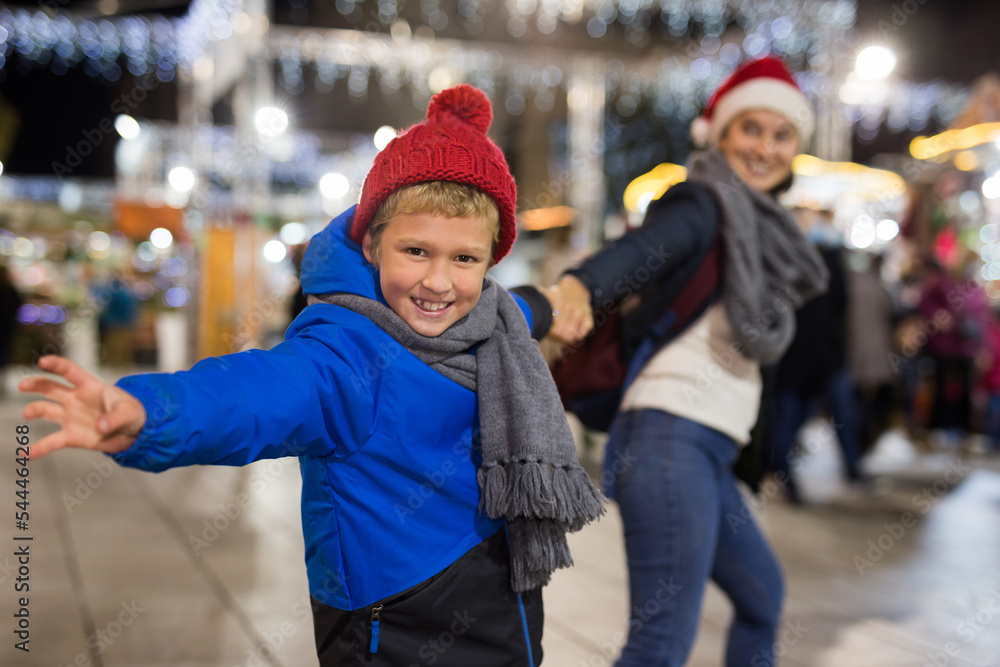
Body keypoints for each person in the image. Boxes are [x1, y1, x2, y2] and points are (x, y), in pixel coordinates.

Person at [20, 85, 604, 667]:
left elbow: (529, 308)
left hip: (505, 605)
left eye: (464, 259)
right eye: (416, 252)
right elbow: (259, 392)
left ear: (489, 261)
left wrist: (562, 300)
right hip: (398, 621)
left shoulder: (492, 322)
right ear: (373, 244)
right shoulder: (348, 351)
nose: (440, 282)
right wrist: (150, 413)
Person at [545, 56, 828, 666]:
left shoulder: (767, 230)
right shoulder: (704, 202)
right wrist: (580, 286)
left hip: (708, 451)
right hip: (668, 436)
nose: (765, 147)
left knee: (763, 596)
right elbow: (646, 248)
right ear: (720, 133)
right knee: (661, 642)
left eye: (782, 135)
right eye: (750, 128)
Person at [767, 211, 864, 504]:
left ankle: (788, 474)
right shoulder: (798, 264)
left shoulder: (819, 264)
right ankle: (784, 476)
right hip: (803, 362)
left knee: (798, 420)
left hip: (814, 361)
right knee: (790, 422)